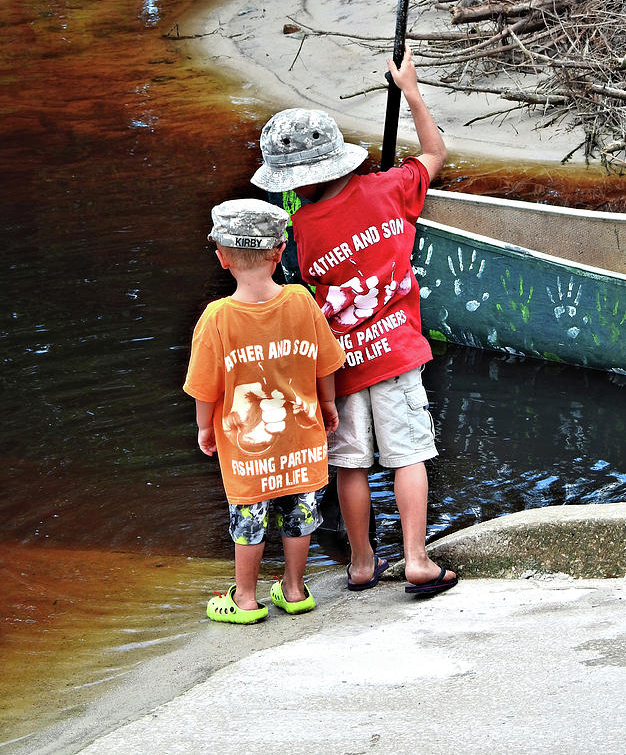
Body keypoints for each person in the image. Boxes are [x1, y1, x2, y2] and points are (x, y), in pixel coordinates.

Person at [251, 45, 457, 598]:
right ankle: (416, 559)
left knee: (352, 467)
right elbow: (435, 153)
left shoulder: (303, 228)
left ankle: (362, 563)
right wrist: (410, 91)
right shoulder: (390, 189)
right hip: (395, 355)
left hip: (340, 363)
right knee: (409, 455)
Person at [183, 198, 346, 624]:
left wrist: (204, 427)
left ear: (221, 257)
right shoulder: (301, 301)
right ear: (279, 252)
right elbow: (324, 363)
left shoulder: (217, 317)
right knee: (299, 515)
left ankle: (246, 600)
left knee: (249, 519)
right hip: (301, 442)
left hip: (247, 450)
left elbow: (205, 386)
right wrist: (327, 403)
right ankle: (293, 590)